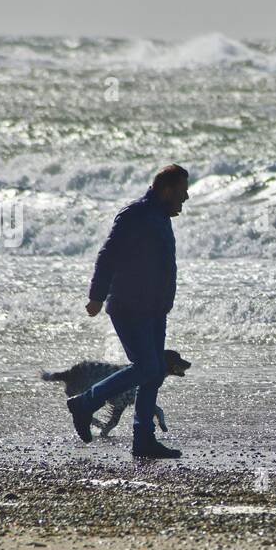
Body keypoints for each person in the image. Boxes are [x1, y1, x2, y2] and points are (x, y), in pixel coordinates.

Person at [66, 165, 188, 459]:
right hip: (130, 306)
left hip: (154, 308)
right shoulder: (135, 214)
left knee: (154, 371)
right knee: (147, 367)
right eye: (183, 189)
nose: (187, 196)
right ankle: (84, 403)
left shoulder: (159, 216)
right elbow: (108, 254)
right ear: (167, 189)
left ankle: (143, 440)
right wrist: (96, 296)